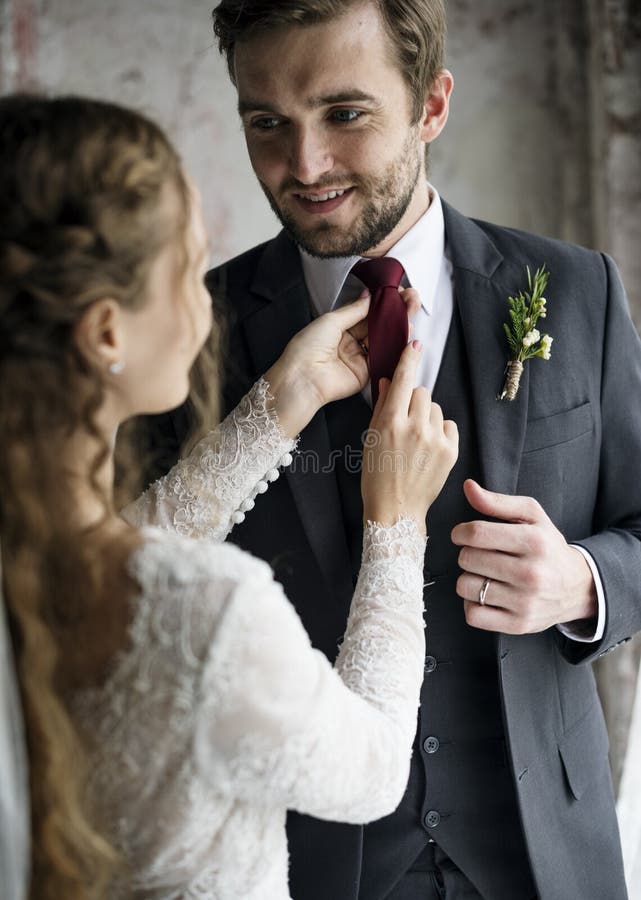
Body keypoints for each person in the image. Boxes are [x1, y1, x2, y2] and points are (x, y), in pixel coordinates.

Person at [201, 1, 641, 898]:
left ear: (432, 105)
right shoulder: (195, 324)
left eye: (345, 113)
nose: (305, 164)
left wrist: (581, 583)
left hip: (546, 858)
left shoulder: (575, 288)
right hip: (303, 863)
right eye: (267, 123)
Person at [0, 94, 459, 900]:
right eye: (186, 265)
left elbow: (121, 542)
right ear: (108, 332)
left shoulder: (34, 560)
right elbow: (376, 770)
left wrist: (279, 403)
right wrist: (396, 524)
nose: (204, 298)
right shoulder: (208, 613)